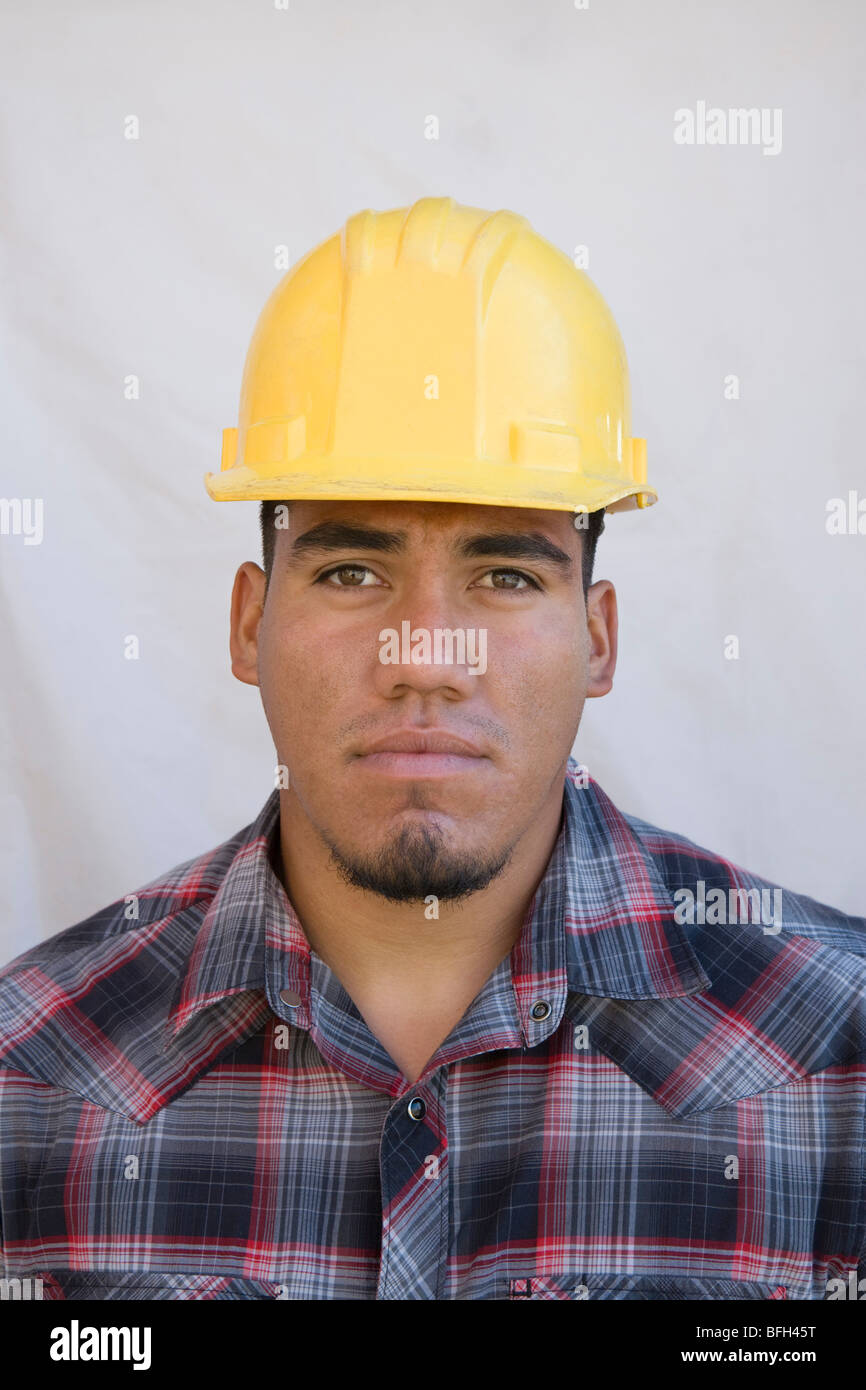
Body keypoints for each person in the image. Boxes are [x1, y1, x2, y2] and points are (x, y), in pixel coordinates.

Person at [1, 196, 864, 1303]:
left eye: (505, 575)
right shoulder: (34, 1079)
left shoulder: (835, 1063)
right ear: (245, 625)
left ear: (596, 637)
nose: (426, 656)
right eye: (350, 572)